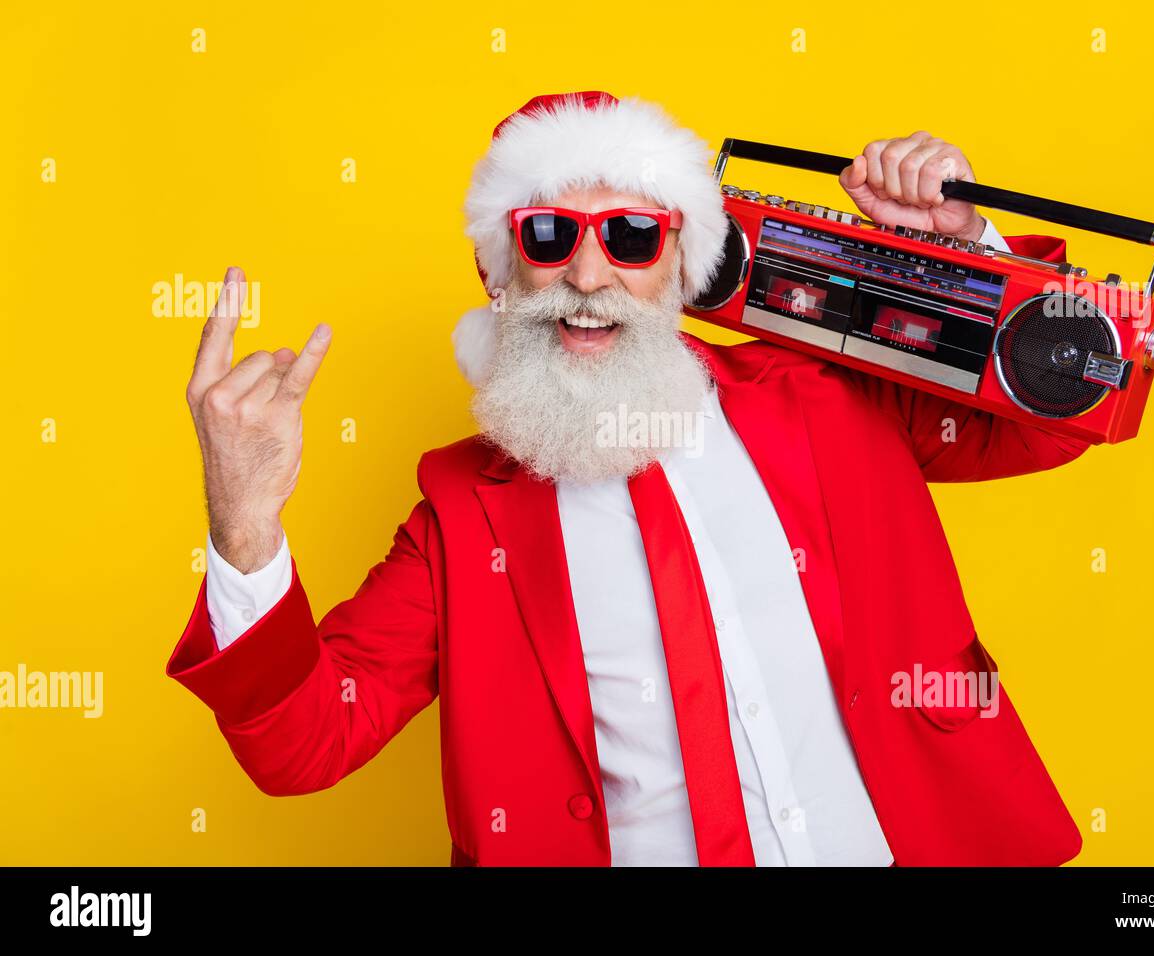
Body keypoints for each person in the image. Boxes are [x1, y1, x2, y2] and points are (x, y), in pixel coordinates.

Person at [168, 91, 1088, 866]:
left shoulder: (826, 398)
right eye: (548, 234)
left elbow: (1054, 423)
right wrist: (243, 518)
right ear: (501, 271)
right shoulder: (462, 518)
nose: (587, 272)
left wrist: (961, 267)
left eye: (633, 235)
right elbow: (306, 743)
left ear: (683, 265)